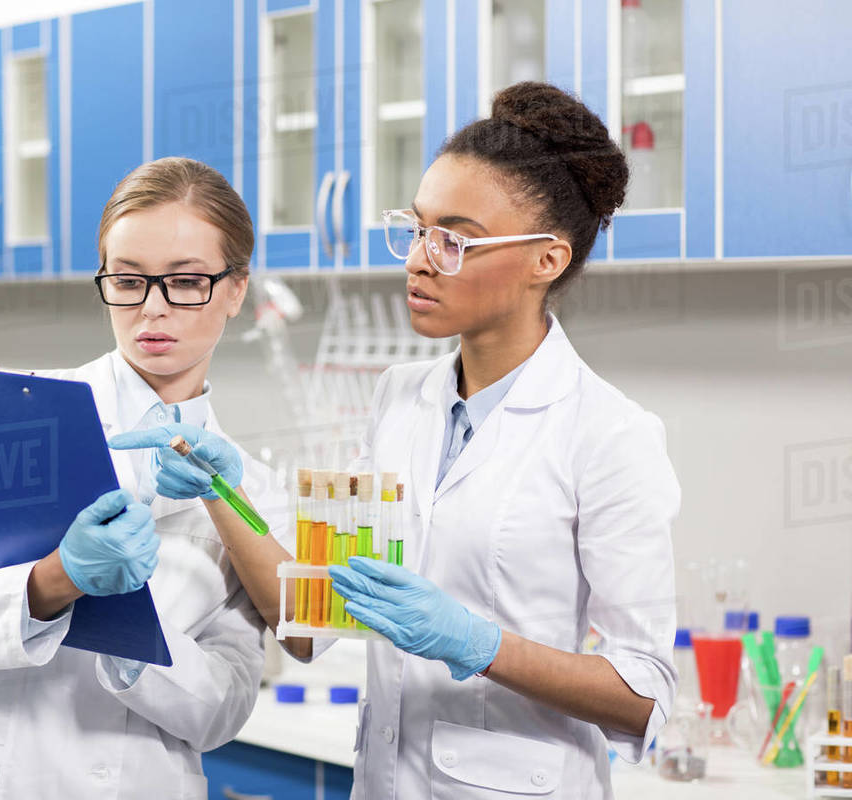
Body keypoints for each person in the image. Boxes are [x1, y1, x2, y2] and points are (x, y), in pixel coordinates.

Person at [121, 83, 680, 799]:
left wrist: (476, 644)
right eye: (416, 229)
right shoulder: (401, 398)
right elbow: (310, 626)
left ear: (546, 258)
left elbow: (645, 695)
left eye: (454, 239)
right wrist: (222, 491)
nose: (418, 259)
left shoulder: (609, 434)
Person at [0, 157, 289, 800]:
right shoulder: (19, 416)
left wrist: (131, 644)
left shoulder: (252, 496)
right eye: (129, 281)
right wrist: (55, 581)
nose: (152, 309)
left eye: (187, 281)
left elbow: (223, 711)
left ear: (235, 289)